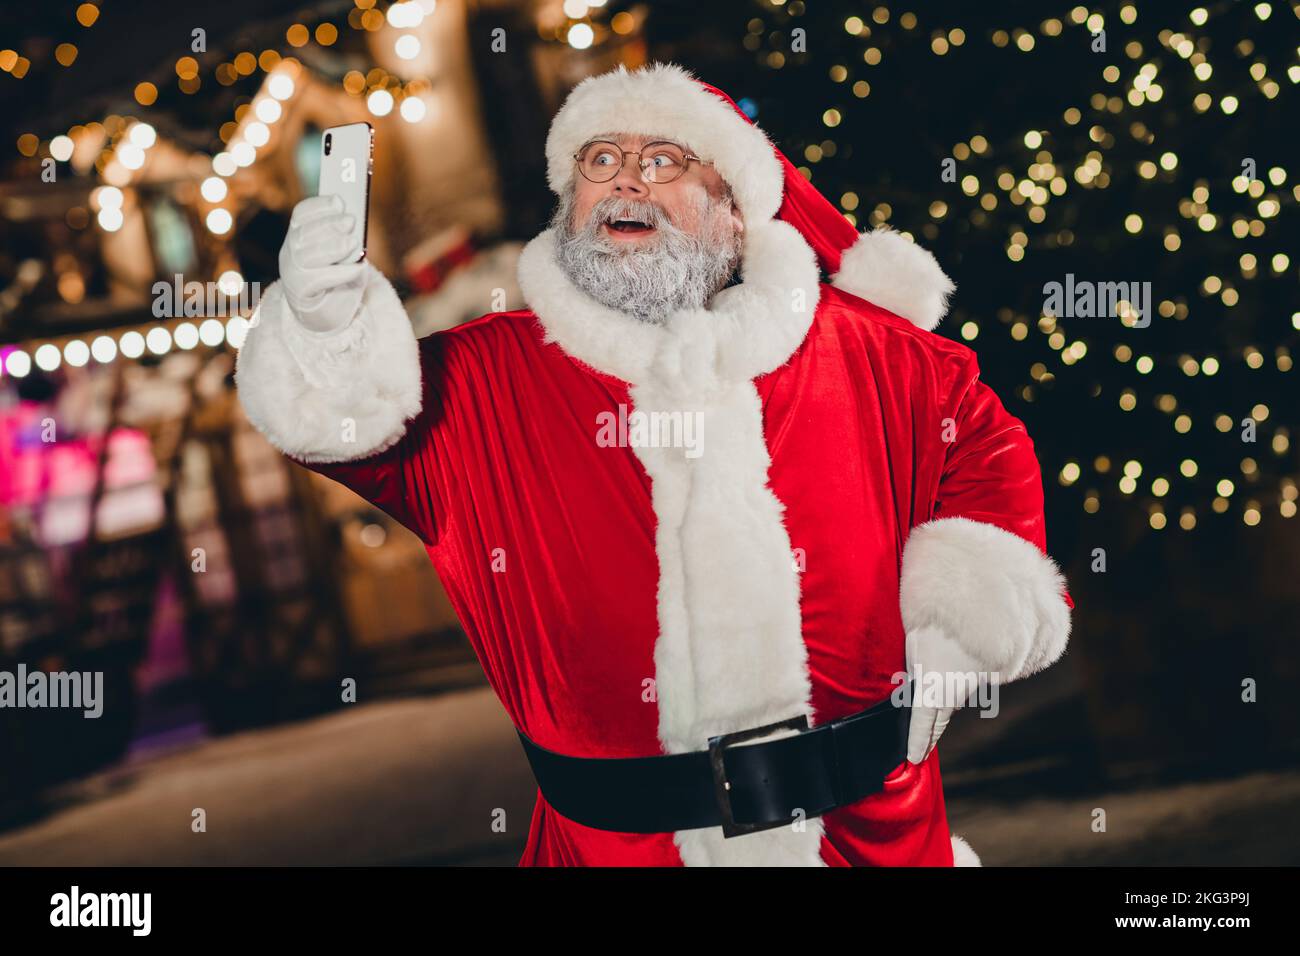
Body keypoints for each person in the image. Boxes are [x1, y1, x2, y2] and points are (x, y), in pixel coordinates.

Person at [235, 61, 1073, 866]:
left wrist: (957, 620)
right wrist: (325, 323)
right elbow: (352, 427)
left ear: (737, 209)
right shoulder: (483, 380)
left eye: (663, 159)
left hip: (871, 839)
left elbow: (983, 437)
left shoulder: (860, 349)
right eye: (599, 161)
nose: (625, 180)